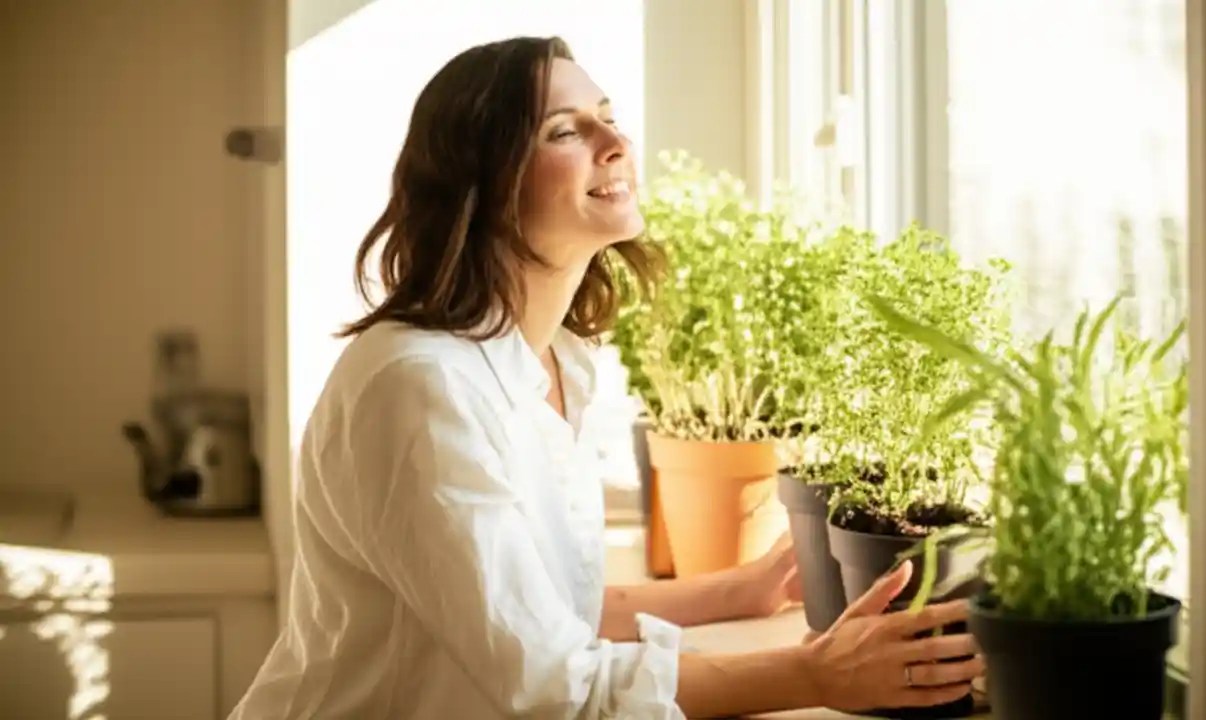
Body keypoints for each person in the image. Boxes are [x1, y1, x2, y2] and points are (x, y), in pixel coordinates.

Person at [228, 35, 984, 719]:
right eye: (564, 130)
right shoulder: (420, 388)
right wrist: (813, 676)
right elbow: (557, 686)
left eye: (608, 116)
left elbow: (538, 608)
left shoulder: (556, 360)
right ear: (482, 186)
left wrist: (736, 592)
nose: (616, 142)